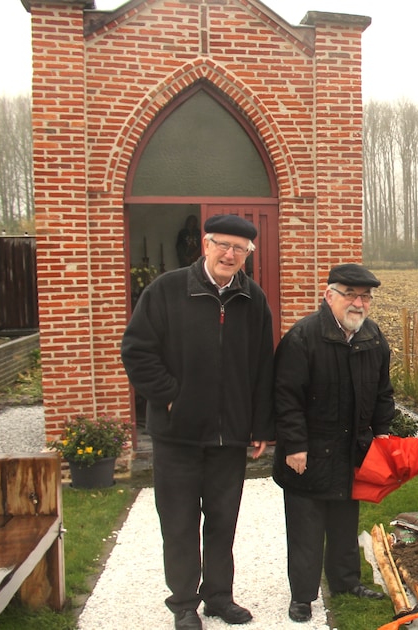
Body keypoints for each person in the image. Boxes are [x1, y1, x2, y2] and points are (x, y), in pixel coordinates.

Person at [121, 214, 274, 630]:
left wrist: (260, 426)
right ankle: (185, 603)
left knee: (223, 522)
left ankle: (219, 598)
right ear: (204, 245)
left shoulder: (253, 299)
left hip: (230, 439)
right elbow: (137, 350)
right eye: (222, 245)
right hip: (178, 437)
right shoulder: (166, 291)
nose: (230, 254)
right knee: (180, 522)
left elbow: (263, 366)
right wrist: (171, 396)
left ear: (247, 255)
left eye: (239, 249)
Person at [272, 263, 394, 624]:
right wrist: (294, 445)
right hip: (308, 451)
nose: (359, 303)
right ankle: (303, 596)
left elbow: (383, 392)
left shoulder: (372, 337)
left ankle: (345, 582)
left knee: (344, 521)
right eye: (351, 295)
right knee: (306, 528)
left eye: (365, 297)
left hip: (352, 449)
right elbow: (286, 396)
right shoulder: (304, 337)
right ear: (329, 297)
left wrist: (382, 433)